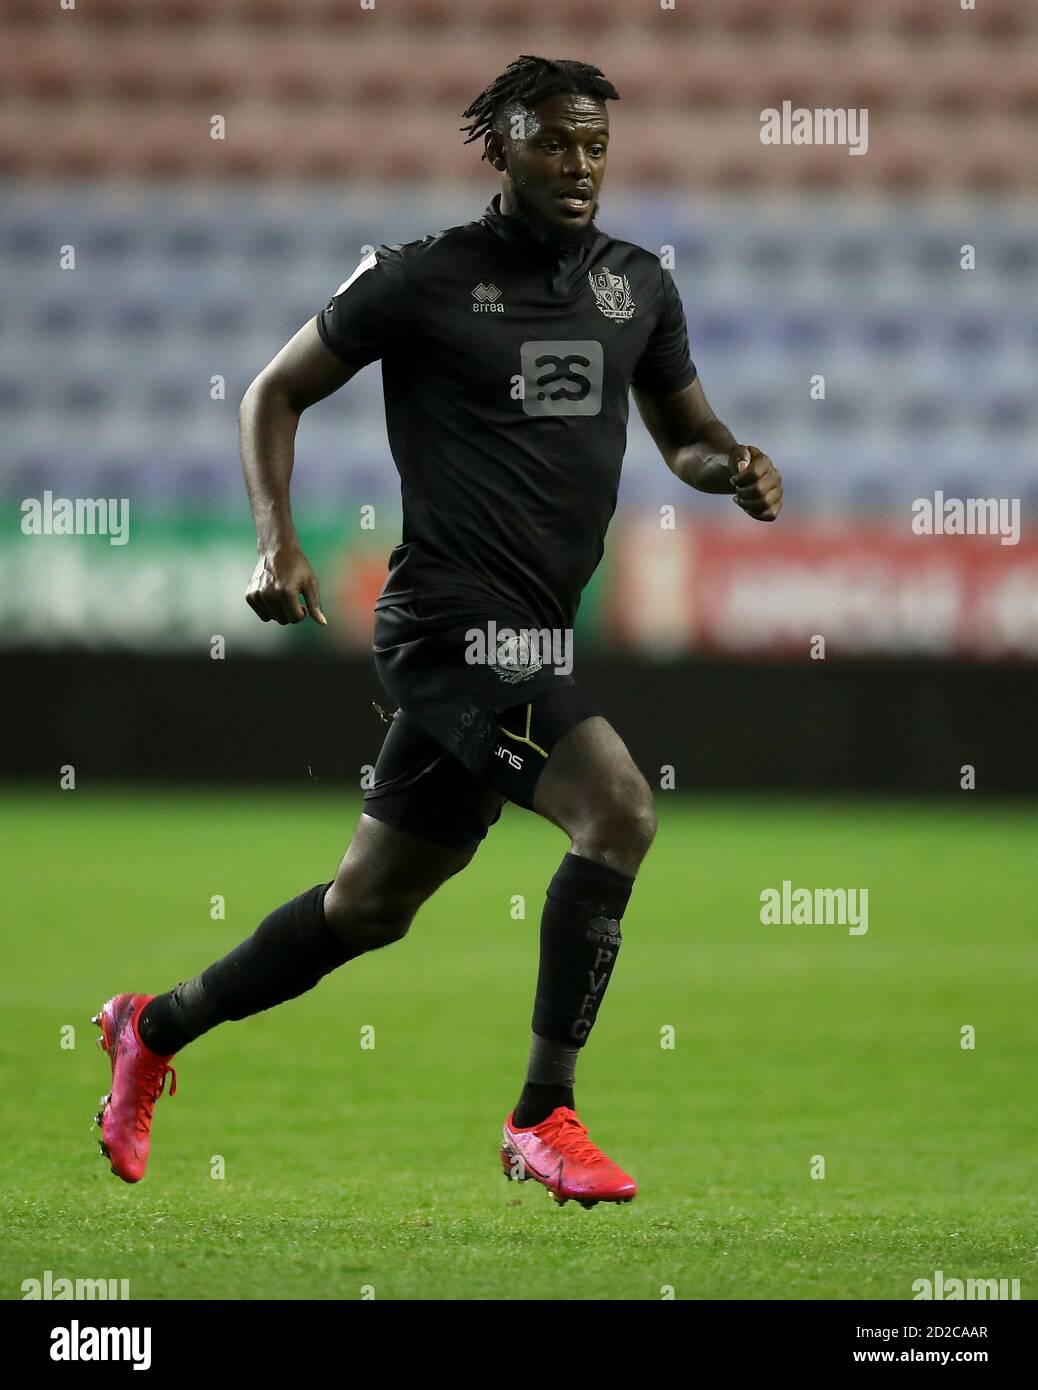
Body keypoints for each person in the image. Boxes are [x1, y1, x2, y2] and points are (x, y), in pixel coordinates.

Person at [93, 55, 782, 1207]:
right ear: (500, 145)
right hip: (448, 623)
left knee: (368, 907)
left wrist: (735, 467)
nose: (579, 166)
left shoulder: (638, 287)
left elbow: (688, 435)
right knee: (618, 810)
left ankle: (149, 1028)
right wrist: (277, 540)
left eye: (595, 146)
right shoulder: (422, 278)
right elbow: (272, 390)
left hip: (537, 634)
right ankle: (542, 1116)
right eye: (554, 143)